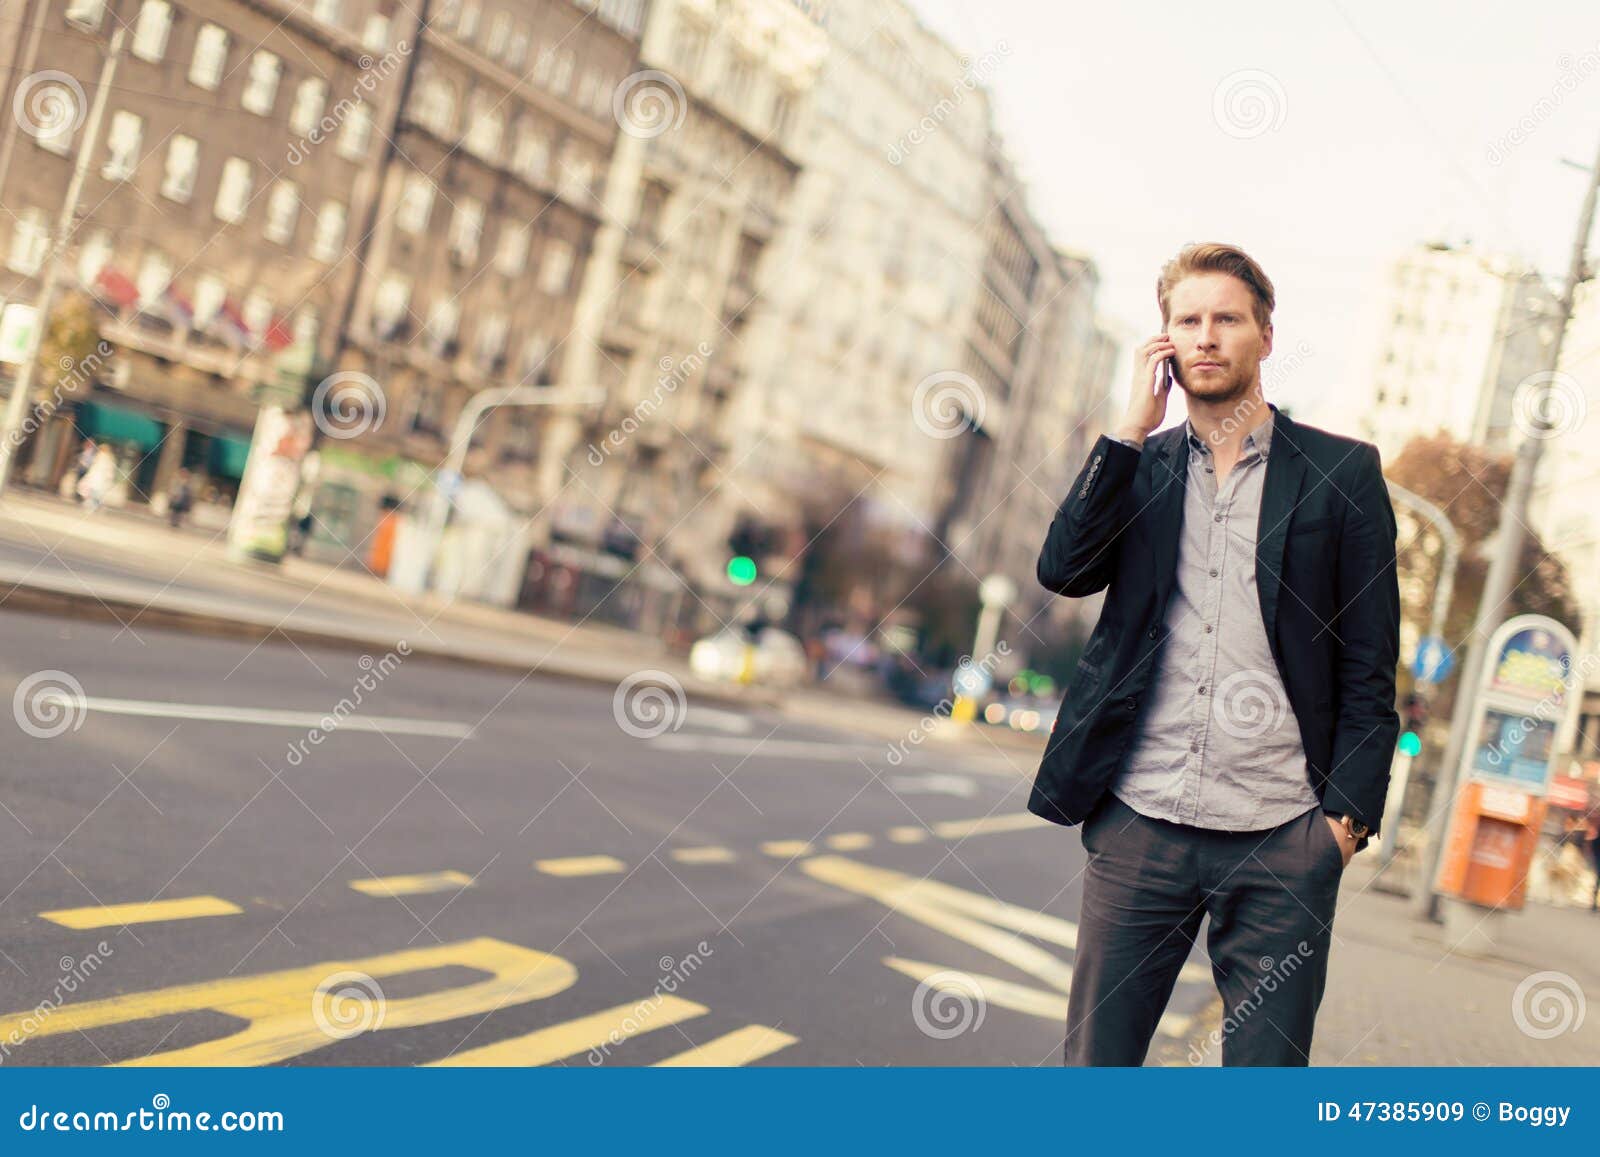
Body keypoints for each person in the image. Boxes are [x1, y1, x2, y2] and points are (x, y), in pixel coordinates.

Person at [1028, 243, 1401, 1066]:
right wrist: (1128, 428)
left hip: (1282, 836)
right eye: (1187, 320)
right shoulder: (1139, 467)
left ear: (1265, 335)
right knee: (1094, 1073)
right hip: (1141, 822)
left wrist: (1341, 827)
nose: (1206, 336)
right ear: (1164, 341)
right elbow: (1063, 570)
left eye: (1226, 318)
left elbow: (1371, 666)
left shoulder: (1342, 474)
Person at [76, 444, 117, 512]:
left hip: (96, 476)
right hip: (101, 478)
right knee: (97, 491)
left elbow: (95, 466)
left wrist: (89, 475)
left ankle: (93, 505)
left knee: (93, 490)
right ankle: (95, 504)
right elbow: (110, 469)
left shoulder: (100, 456)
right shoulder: (110, 457)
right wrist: (109, 477)